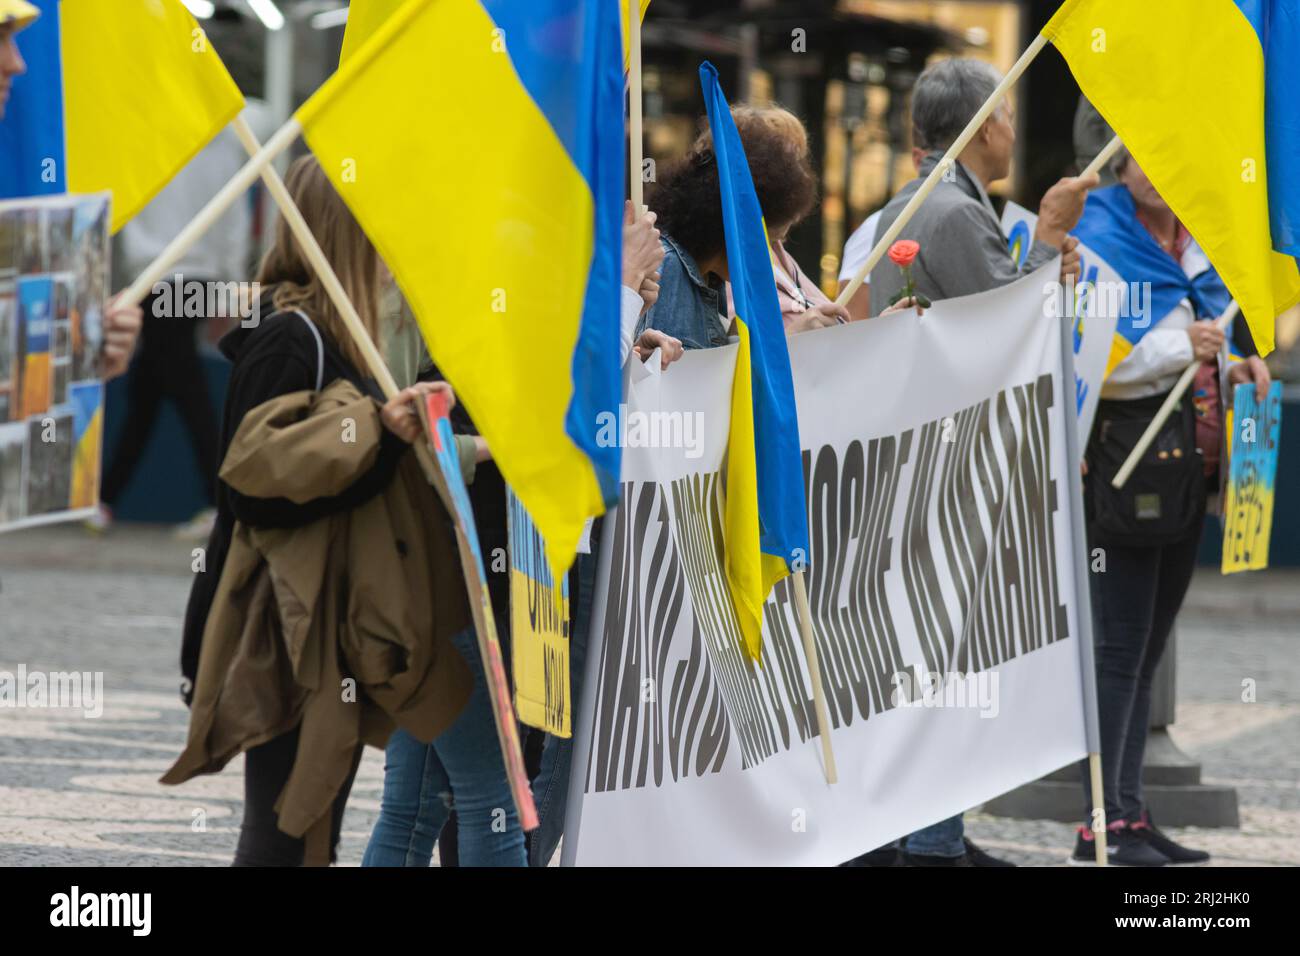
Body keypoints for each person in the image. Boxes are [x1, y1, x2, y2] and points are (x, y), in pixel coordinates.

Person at [165, 156, 489, 867]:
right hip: (282, 618)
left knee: (311, 822)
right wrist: (379, 430)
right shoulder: (291, 335)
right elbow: (255, 487)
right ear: (348, 234)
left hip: (319, 614)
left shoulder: (344, 334)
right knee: (287, 824)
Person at [366, 202, 683, 868]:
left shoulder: (481, 320)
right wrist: (621, 299)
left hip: (486, 569)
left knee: (419, 802)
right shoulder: (474, 330)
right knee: (494, 799)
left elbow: (567, 390)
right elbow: (567, 418)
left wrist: (627, 322)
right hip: (468, 580)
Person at [861, 58, 1097, 867]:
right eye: (1001, 114)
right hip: (950, 470)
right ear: (976, 125)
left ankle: (936, 834)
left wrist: (1040, 260)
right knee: (941, 654)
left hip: (937, 463)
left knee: (942, 655)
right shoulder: (952, 214)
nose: (1010, 128)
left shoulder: (943, 205)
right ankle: (930, 841)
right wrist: (1054, 242)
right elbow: (1009, 330)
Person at [1068, 147, 1269, 866]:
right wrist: (1179, 346)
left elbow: (1210, 335)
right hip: (1125, 472)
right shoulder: (1098, 237)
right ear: (1121, 168)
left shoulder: (1196, 244)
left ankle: (1130, 814)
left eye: (1169, 152)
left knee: (1146, 650)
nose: (1156, 168)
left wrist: (1234, 360)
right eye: (1143, 156)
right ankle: (1102, 825)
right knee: (1119, 652)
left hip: (1191, 474)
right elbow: (1091, 360)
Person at [868, 59, 1093, 317]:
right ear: (986, 129)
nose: (1013, 134)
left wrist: (1052, 266)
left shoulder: (904, 202)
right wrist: (1051, 230)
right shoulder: (957, 212)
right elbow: (1012, 321)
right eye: (1009, 119)